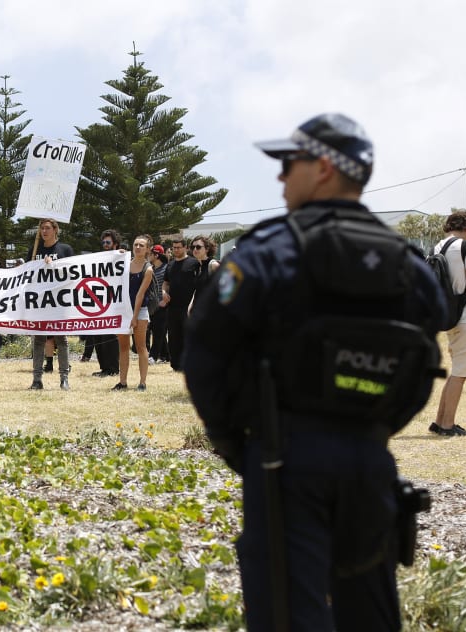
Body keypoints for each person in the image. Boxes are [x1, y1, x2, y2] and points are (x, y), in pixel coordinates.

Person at [183, 113, 446, 632]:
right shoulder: (408, 266)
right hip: (370, 461)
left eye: (289, 163)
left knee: (288, 614)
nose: (280, 176)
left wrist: (240, 445)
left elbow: (205, 355)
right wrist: (371, 430)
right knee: (369, 610)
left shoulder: (267, 253)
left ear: (324, 168)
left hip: (284, 461)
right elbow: (423, 366)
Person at [430, 211, 466, 436]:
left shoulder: (438, 247)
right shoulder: (465, 246)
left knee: (456, 371)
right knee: (460, 373)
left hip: (449, 315)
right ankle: (447, 425)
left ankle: (440, 421)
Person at [27, 218, 74, 390]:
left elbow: (73, 272)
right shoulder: (34, 250)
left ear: (55, 230)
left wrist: (53, 266)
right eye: (42, 228)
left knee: (61, 339)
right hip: (40, 302)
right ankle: (37, 379)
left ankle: (64, 378)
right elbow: (27, 274)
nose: (44, 231)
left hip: (59, 301)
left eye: (47, 228)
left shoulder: (65, 249)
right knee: (38, 340)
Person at [113, 235, 154, 391]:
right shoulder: (124, 264)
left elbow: (140, 295)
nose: (138, 247)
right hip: (123, 310)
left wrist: (134, 317)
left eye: (141, 245)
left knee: (140, 346)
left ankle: (142, 383)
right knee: (123, 347)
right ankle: (122, 382)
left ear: (147, 249)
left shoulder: (148, 269)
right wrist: (117, 255)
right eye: (136, 244)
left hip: (140, 310)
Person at [159, 237, 199, 370]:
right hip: (172, 307)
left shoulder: (194, 263)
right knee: (173, 336)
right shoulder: (170, 265)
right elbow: (166, 283)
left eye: (178, 247)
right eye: (174, 248)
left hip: (189, 307)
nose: (176, 250)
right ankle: (176, 365)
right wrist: (163, 292)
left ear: (185, 248)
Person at [92, 229, 122, 377]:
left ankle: (113, 368)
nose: (105, 244)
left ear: (115, 244)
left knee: (109, 337)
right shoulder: (99, 259)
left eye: (108, 242)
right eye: (103, 242)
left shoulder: (121, 257)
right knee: (97, 337)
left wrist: (122, 255)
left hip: (114, 303)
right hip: (98, 302)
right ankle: (104, 367)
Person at [146, 245, 169, 364]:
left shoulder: (167, 268)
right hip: (153, 306)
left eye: (150, 254)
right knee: (158, 331)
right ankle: (166, 355)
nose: (148, 256)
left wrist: (165, 301)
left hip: (164, 306)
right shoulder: (151, 269)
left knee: (158, 331)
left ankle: (153, 356)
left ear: (156, 255)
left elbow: (170, 285)